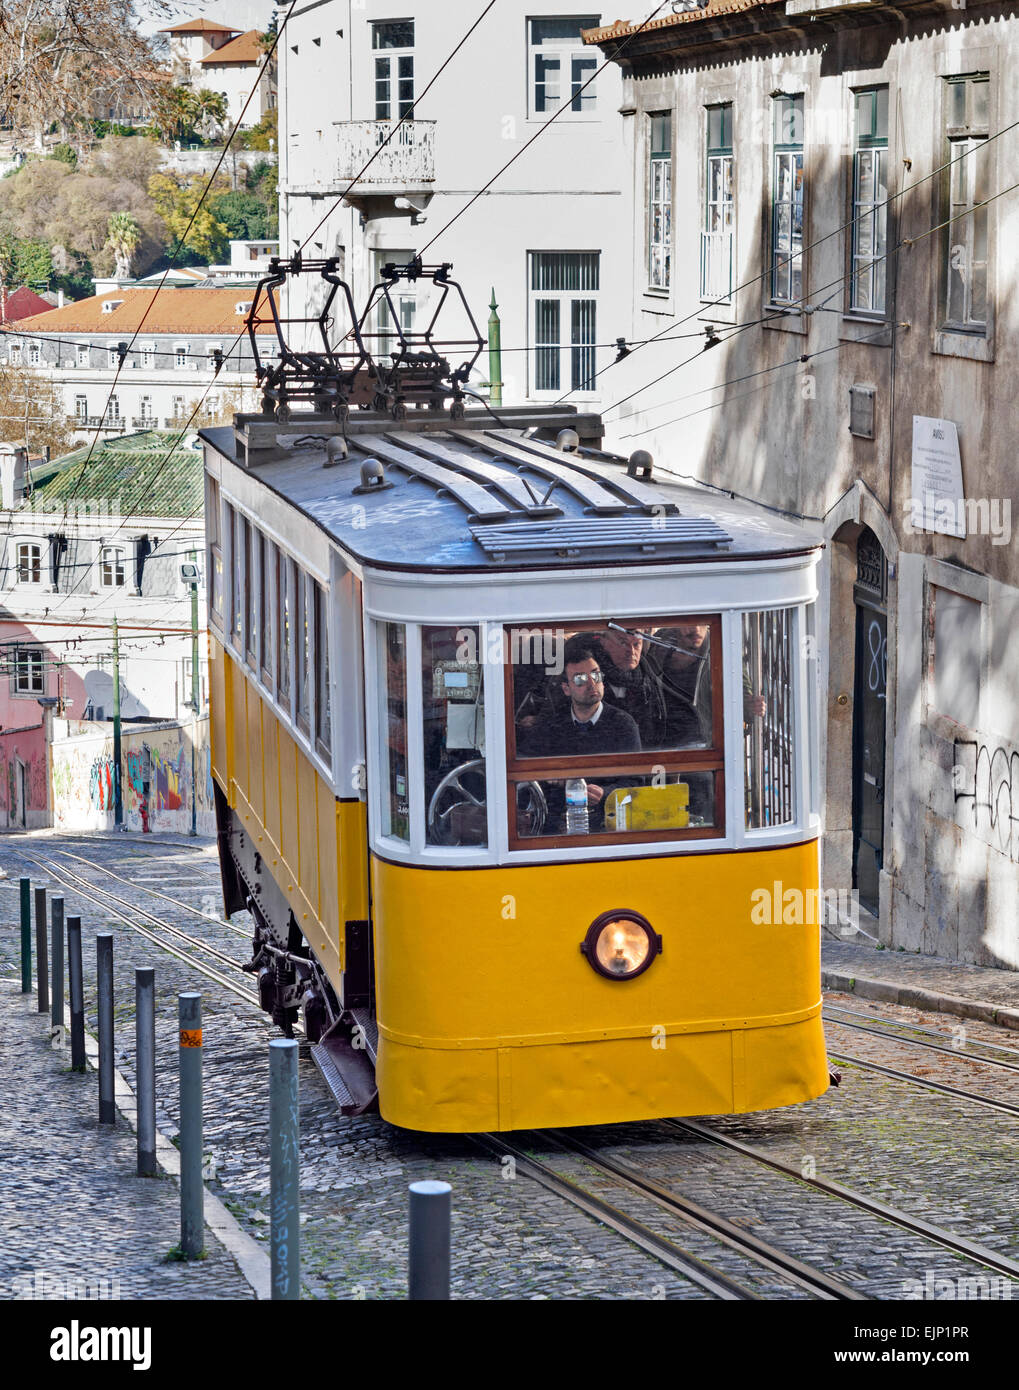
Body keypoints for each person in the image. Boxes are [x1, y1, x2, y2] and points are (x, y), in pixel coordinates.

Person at [518, 638, 640, 829]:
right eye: (581, 679)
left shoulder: (623, 724)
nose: (592, 684)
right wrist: (546, 771)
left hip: (608, 823)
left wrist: (605, 793)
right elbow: (524, 763)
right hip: (557, 821)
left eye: (596, 675)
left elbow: (635, 782)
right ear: (566, 689)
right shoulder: (553, 724)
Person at [592, 624, 668, 748]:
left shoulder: (650, 672)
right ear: (603, 642)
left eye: (636, 644)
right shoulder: (587, 675)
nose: (631, 651)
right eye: (623, 643)